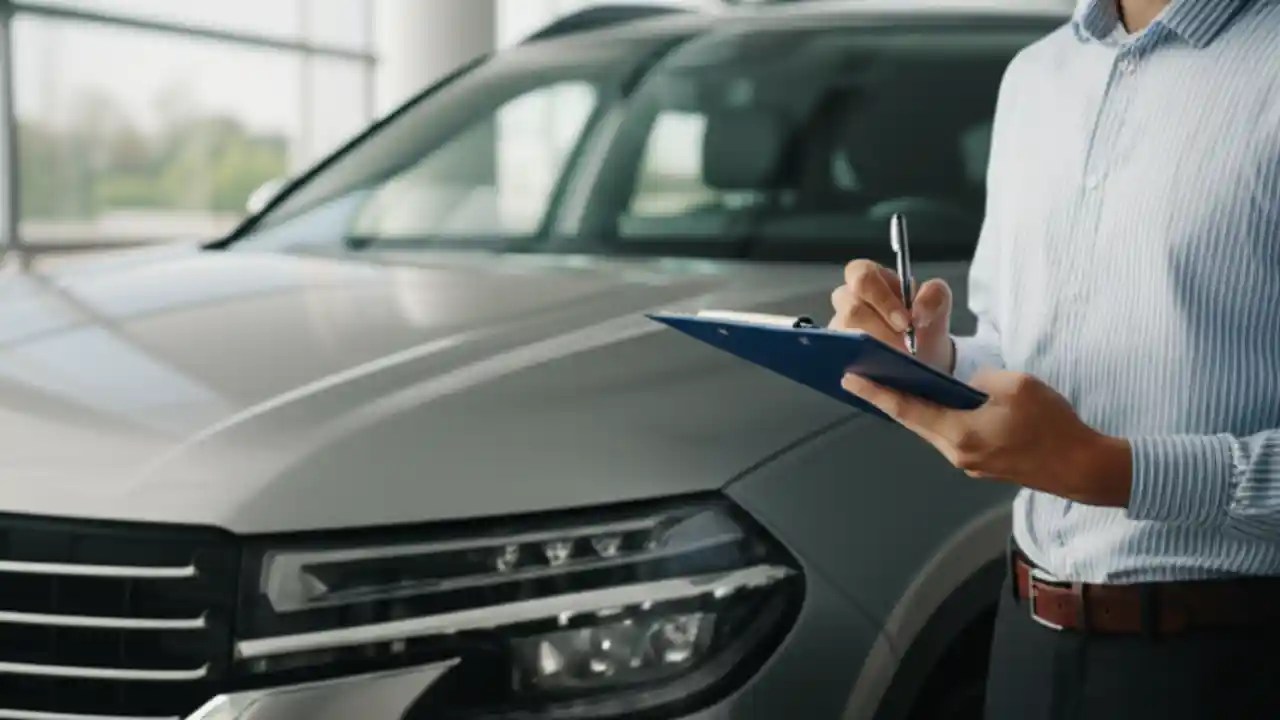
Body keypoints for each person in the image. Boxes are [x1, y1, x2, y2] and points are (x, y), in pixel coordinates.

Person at [828, 0, 1280, 717]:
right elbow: (1018, 347)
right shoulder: (1035, 77)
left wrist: (1109, 470)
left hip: (1237, 659)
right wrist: (932, 357)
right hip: (1026, 641)